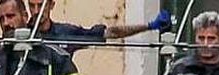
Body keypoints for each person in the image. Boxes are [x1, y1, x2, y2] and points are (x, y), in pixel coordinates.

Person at [27, 0, 173, 56]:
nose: (36, 11)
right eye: (31, 5)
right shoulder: (22, 37)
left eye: (40, 5)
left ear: (51, 5)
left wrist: (149, 26)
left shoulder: (66, 33)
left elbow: (110, 33)